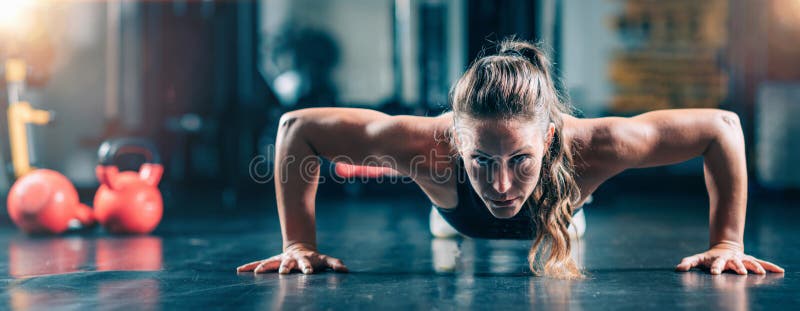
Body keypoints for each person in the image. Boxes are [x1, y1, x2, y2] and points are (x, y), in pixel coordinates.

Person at [236, 39, 784, 279]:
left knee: (564, 226)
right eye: (481, 161)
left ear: (547, 139)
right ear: (454, 142)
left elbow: (723, 128)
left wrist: (727, 244)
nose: (500, 184)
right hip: (452, 213)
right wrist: (298, 245)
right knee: (448, 228)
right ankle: (450, 207)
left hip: (561, 210)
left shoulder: (596, 146)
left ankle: (560, 206)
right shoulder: (422, 145)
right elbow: (296, 130)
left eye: (520, 160)